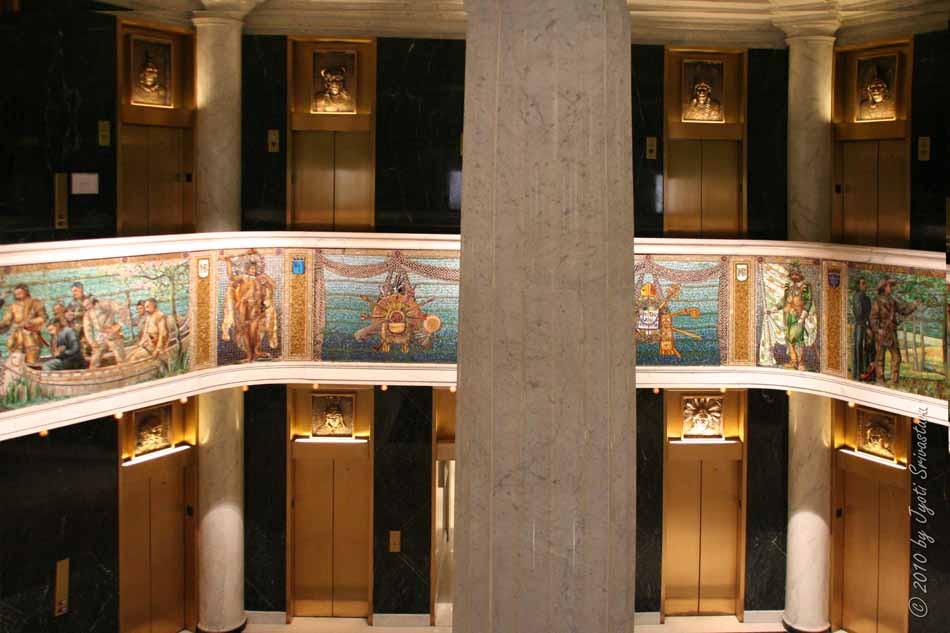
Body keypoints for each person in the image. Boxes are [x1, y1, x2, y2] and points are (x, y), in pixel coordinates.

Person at [222, 256, 277, 362]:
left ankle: (255, 351)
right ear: (247, 269)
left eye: (255, 268)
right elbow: (231, 277)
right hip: (245, 308)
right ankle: (249, 355)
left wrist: (266, 278)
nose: (253, 270)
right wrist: (228, 262)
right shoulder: (243, 278)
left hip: (257, 309)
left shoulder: (260, 279)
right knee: (245, 331)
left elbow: (273, 286)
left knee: (255, 332)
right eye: (251, 269)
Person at [869, 278, 921, 385]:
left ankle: (894, 380)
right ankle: (880, 380)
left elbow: (903, 310)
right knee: (879, 358)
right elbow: (873, 318)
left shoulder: (892, 301)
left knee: (897, 357)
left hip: (891, 333)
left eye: (892, 286)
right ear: (884, 287)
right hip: (881, 334)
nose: (892, 288)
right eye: (890, 286)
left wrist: (914, 305)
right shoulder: (877, 301)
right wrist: (878, 329)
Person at [776, 264, 813, 371]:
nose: (794, 276)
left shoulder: (805, 287)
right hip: (788, 316)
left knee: (797, 339)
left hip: (798, 316)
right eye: (792, 275)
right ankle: (793, 361)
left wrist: (802, 317)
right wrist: (774, 308)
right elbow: (784, 301)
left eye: (796, 274)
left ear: (800, 276)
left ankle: (800, 362)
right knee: (789, 339)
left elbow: (808, 302)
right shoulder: (789, 288)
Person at [0, 284, 49, 363]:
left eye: (20, 293)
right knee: (16, 361)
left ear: (26, 292)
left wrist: (29, 322)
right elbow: (6, 321)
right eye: (16, 294)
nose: (17, 295)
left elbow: (43, 318)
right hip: (16, 339)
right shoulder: (12, 306)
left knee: (31, 360)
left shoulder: (35, 303)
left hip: (31, 337)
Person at [82, 296, 128, 367]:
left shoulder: (106, 304)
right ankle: (94, 372)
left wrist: (119, 324)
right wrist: (92, 342)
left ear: (92, 301)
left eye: (88, 305)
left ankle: (124, 370)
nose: (87, 308)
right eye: (85, 306)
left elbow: (122, 309)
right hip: (101, 336)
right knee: (95, 358)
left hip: (113, 333)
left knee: (120, 356)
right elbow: (87, 330)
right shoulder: (88, 314)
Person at [851, 277, 873, 379]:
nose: (865, 285)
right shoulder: (858, 297)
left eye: (865, 283)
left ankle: (865, 372)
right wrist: (866, 326)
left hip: (866, 325)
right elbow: (859, 314)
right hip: (860, 325)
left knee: (867, 348)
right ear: (858, 285)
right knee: (859, 347)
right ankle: (858, 373)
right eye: (863, 283)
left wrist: (869, 326)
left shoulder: (866, 298)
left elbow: (868, 314)